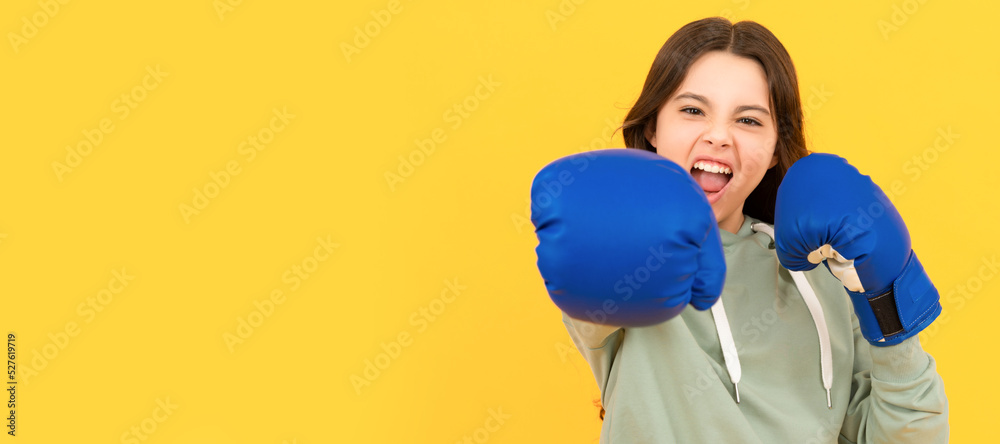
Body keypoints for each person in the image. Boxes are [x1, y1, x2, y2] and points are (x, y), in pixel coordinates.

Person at [530, 17, 948, 443]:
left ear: (772, 150)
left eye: (748, 120)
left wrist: (886, 300)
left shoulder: (827, 274)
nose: (718, 137)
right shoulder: (629, 253)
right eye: (693, 110)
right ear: (654, 128)